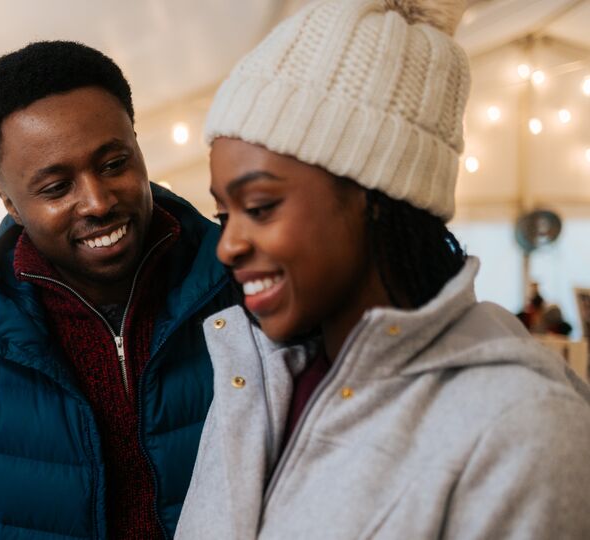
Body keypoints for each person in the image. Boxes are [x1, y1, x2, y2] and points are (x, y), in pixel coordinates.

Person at [175, 0, 590, 538]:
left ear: (377, 197)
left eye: (259, 207)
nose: (227, 245)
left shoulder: (521, 429)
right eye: (222, 214)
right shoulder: (252, 374)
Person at [0, 41, 234, 539]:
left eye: (113, 164)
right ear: (11, 205)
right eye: (56, 187)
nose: (97, 201)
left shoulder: (247, 290)